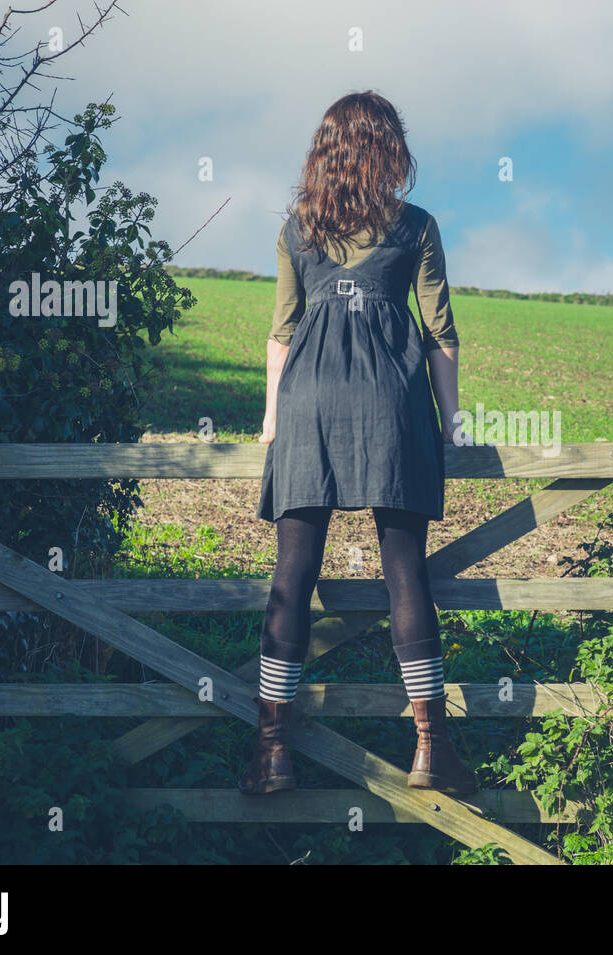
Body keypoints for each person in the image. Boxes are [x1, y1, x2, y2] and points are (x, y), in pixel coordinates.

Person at [240, 91, 477, 797]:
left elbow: (283, 330)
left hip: (308, 399)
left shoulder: (295, 230)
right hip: (390, 403)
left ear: (328, 150)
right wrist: (453, 420)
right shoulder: (418, 226)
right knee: (406, 572)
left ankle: (272, 753)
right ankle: (431, 749)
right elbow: (440, 335)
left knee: (293, 576)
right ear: (387, 149)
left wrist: (271, 420)